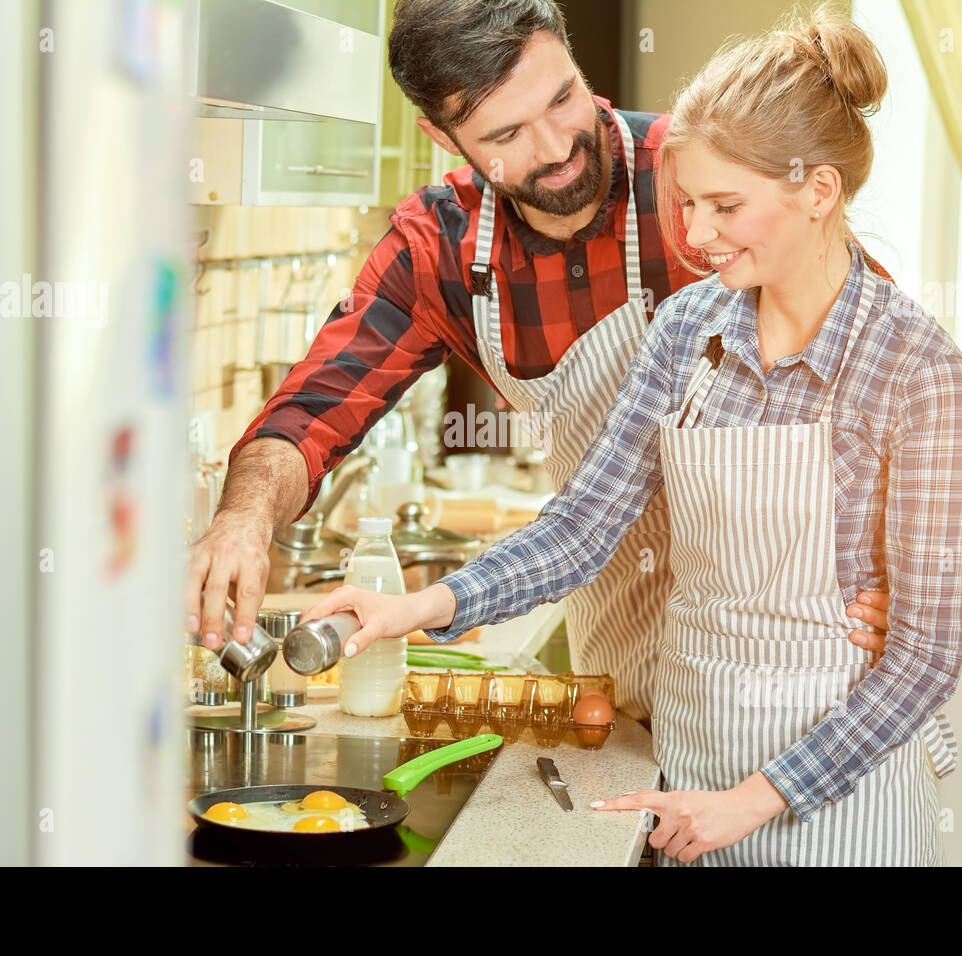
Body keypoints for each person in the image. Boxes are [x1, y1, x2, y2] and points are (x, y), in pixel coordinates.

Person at [301, 5, 962, 866]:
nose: (695, 238)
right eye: (687, 203)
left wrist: (751, 804)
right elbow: (586, 525)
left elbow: (923, 660)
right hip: (684, 771)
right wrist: (415, 609)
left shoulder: (920, 374)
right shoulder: (688, 329)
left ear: (817, 191)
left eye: (725, 206)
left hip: (838, 804)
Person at [185, 0, 895, 727]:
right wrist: (242, 518)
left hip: (806, 666)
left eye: (562, 98)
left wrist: (890, 568)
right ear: (443, 137)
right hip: (621, 654)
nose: (557, 146)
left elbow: (881, 371)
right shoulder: (441, 249)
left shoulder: (702, 180)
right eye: (506, 133)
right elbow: (316, 410)